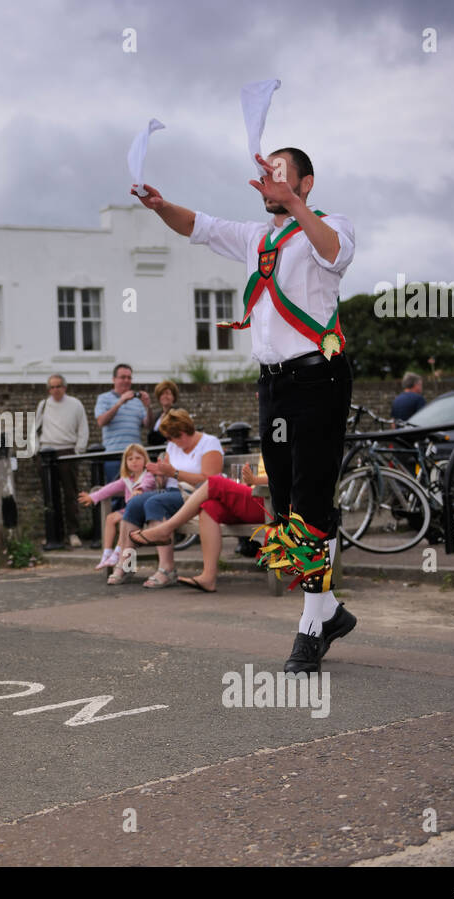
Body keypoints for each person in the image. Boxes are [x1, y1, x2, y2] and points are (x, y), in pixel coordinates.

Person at [137, 144, 357, 672]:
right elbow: (203, 227)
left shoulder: (329, 225)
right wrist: (160, 205)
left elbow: (335, 253)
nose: (271, 182)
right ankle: (327, 610)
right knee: (283, 504)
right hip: (273, 386)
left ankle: (310, 628)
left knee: (309, 501)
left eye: (282, 175)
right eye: (267, 173)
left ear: (306, 184)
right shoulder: (259, 238)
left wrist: (295, 207)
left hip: (319, 377)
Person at [113, 409, 222, 587]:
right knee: (134, 504)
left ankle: (167, 568)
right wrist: (160, 474)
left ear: (185, 432)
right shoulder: (173, 446)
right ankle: (127, 564)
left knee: (155, 503)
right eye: (169, 438)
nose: (171, 442)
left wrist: (174, 472)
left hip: (194, 494)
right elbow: (168, 477)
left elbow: (210, 480)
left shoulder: (210, 443)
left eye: (173, 437)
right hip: (171, 491)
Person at [132, 460, 269, 592]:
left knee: (215, 482)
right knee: (209, 507)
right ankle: (208, 578)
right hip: (256, 497)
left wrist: (255, 480)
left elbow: (286, 476)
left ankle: (166, 529)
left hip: (273, 504)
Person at [32, 373, 89, 548]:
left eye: (58, 386)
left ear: (64, 387)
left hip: (67, 450)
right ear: (48, 389)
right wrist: (36, 451)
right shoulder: (43, 405)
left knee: (71, 494)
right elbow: (35, 429)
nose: (55, 390)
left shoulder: (75, 404)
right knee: (50, 496)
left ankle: (73, 533)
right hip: (47, 452)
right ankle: (53, 533)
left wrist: (78, 450)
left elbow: (83, 428)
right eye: (52, 387)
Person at [78, 443, 155, 570]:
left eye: (138, 458)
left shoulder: (148, 476)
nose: (134, 461)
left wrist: (139, 490)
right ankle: (107, 553)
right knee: (110, 518)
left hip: (144, 513)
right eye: (130, 459)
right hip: (128, 510)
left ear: (144, 460)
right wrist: (93, 497)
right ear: (126, 463)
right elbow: (109, 489)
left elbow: (148, 484)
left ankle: (118, 552)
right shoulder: (126, 479)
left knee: (124, 521)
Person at [95, 364, 150, 453]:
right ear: (114, 379)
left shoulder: (137, 401)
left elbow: (148, 425)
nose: (126, 380)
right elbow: (101, 421)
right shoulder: (103, 398)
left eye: (129, 378)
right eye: (123, 377)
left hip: (134, 455)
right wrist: (120, 402)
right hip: (112, 454)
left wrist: (148, 407)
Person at [145, 380, 180, 446]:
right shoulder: (158, 415)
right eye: (162, 394)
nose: (165, 396)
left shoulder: (177, 413)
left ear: (173, 397)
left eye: (167, 393)